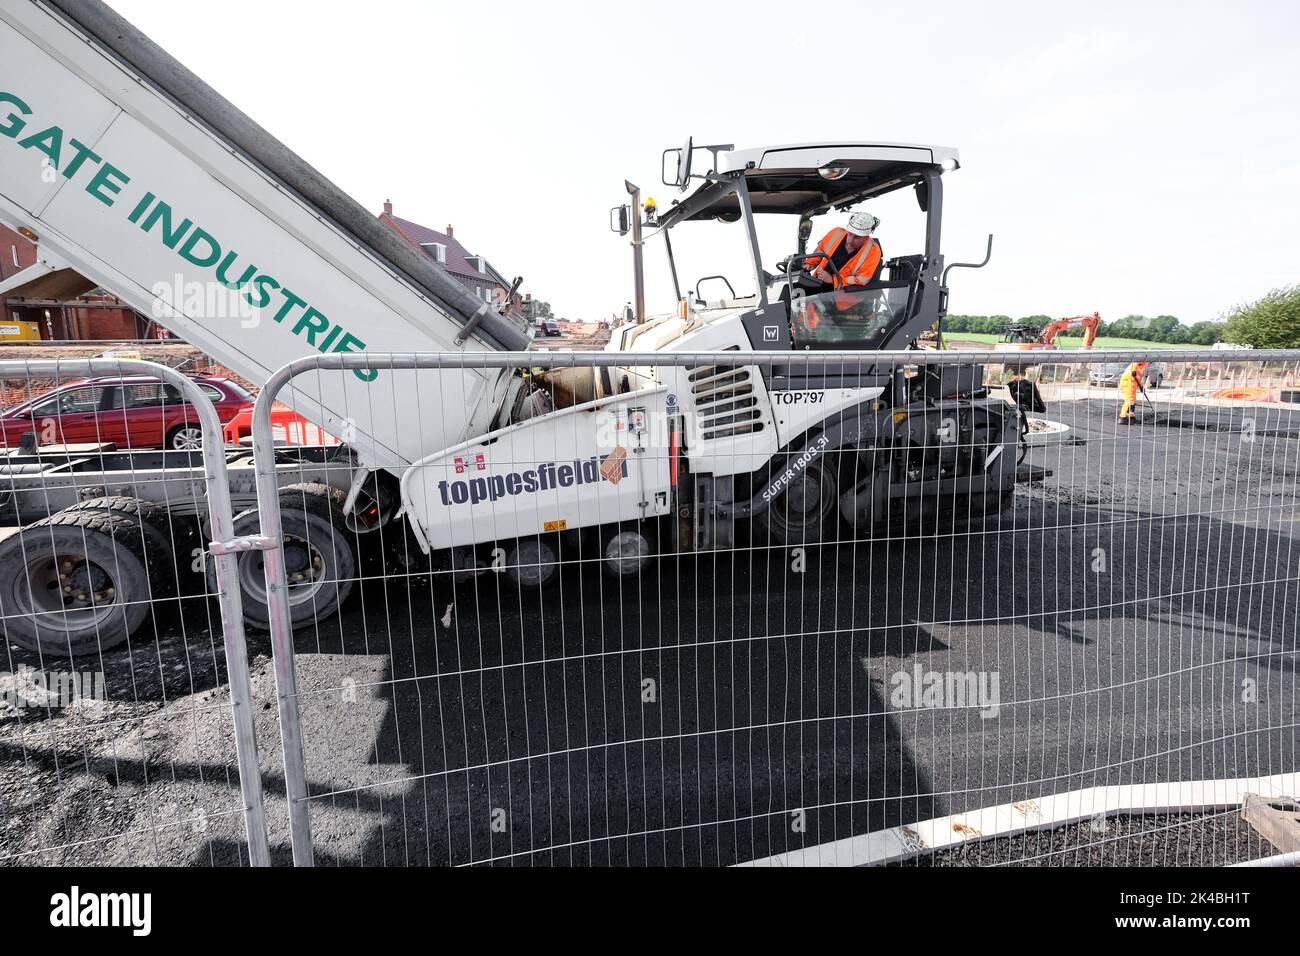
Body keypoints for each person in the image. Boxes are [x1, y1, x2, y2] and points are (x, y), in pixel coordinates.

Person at [804, 211, 883, 291]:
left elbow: (862, 279)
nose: (850, 240)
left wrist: (833, 280)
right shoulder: (836, 233)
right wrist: (811, 263)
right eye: (850, 234)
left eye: (857, 237)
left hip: (845, 298)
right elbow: (821, 249)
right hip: (817, 284)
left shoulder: (873, 251)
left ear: (866, 236)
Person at [1117, 360, 1150, 424]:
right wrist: (1140, 385)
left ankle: (1130, 416)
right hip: (1128, 382)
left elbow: (1138, 377)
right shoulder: (1136, 364)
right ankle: (1123, 417)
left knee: (1132, 401)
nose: (1148, 364)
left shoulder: (1141, 366)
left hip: (1132, 383)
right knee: (1129, 400)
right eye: (1148, 362)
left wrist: (1141, 386)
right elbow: (1133, 373)